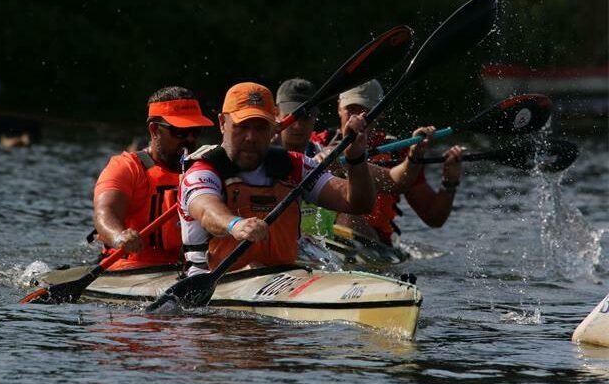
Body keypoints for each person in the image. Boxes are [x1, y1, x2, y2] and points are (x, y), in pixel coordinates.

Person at [177, 82, 376, 277]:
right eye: (242, 126)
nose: (251, 137)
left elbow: (357, 202)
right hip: (215, 282)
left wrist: (356, 157)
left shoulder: (293, 165)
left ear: (273, 127)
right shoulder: (202, 171)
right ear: (222, 123)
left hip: (285, 278)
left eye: (261, 127)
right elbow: (206, 210)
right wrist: (235, 225)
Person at [325, 80, 464, 246]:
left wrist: (449, 182)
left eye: (366, 113)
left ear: (380, 113)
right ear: (339, 107)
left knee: (349, 217)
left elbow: (434, 218)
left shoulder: (401, 155)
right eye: (352, 110)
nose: (358, 119)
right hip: (323, 236)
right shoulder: (318, 144)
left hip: (374, 244)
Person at [92, 86, 214, 270]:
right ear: (154, 129)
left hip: (188, 269)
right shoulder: (126, 167)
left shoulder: (206, 170)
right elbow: (105, 213)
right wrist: (119, 236)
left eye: (195, 131)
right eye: (180, 132)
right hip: (130, 268)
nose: (189, 139)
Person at [274, 78, 324, 157]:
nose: (298, 126)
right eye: (291, 117)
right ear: (276, 113)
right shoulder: (259, 158)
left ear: (315, 117)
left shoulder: (327, 157)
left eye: (305, 118)